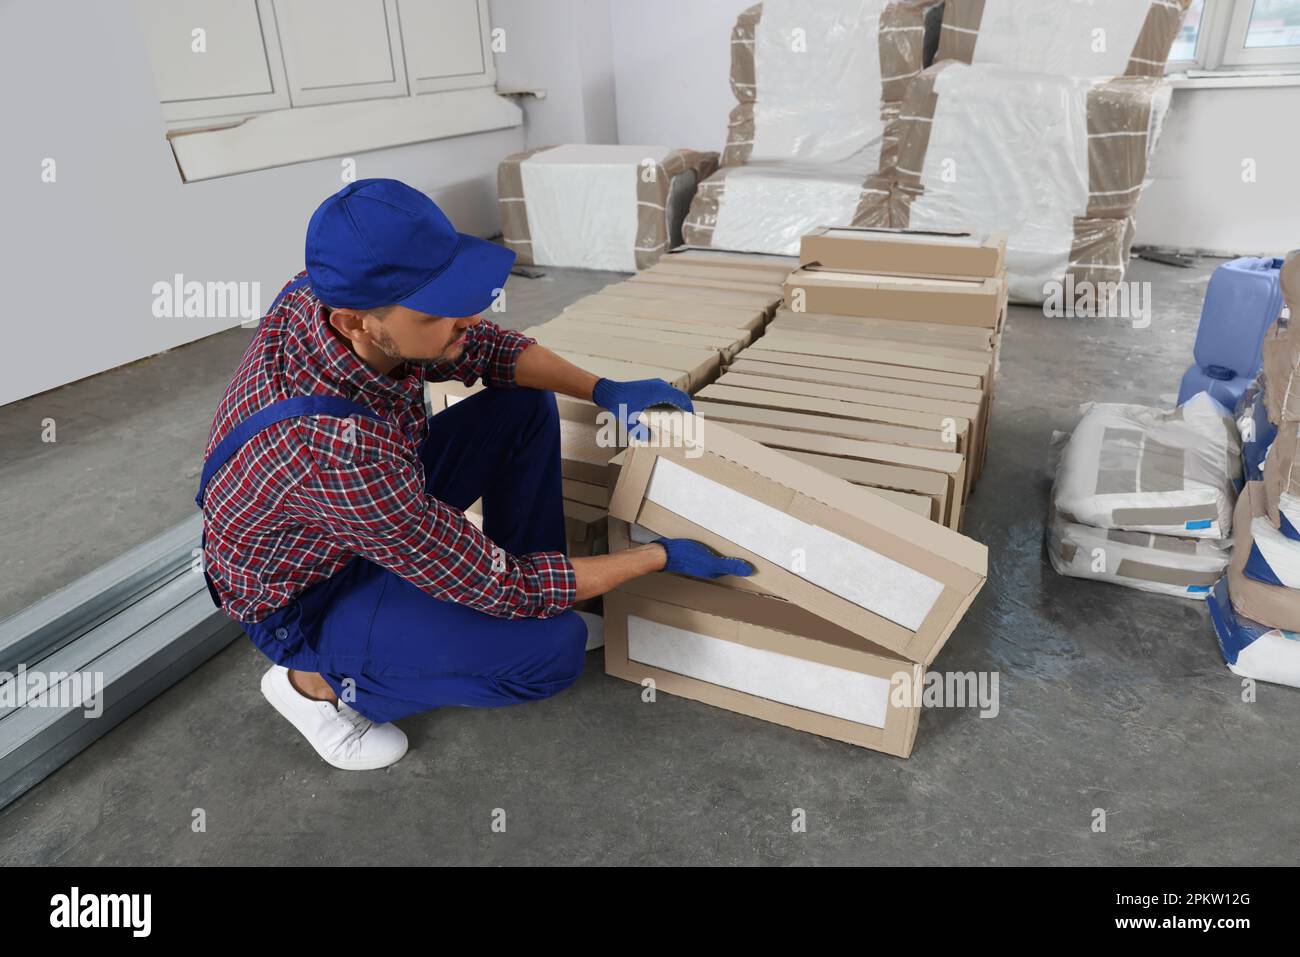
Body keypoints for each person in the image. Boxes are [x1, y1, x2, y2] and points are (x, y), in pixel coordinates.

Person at [195, 178, 754, 770]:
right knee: (551, 655)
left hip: (361, 507)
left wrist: (602, 388)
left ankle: (533, 604)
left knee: (522, 402)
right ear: (353, 323)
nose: (470, 316)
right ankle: (315, 689)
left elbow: (481, 346)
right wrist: (656, 558)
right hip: (308, 594)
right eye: (440, 312)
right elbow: (502, 586)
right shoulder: (330, 452)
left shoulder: (333, 290)